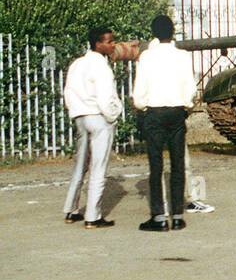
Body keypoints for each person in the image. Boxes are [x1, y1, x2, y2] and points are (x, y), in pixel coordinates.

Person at [133, 15, 197, 232]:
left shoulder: (147, 57)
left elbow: (139, 92)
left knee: (156, 165)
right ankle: (178, 215)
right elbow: (191, 88)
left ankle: (159, 216)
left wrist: (141, 106)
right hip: (177, 112)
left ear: (153, 33)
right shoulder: (183, 56)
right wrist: (185, 105)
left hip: (155, 113)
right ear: (172, 32)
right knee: (178, 165)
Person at [62, 26, 123, 229]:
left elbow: (68, 92)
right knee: (98, 166)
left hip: (80, 116)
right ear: (98, 44)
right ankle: (93, 216)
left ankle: (71, 209)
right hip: (98, 117)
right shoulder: (101, 67)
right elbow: (106, 98)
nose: (113, 44)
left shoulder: (77, 64)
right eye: (109, 42)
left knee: (80, 165)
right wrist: (114, 116)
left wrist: (76, 111)